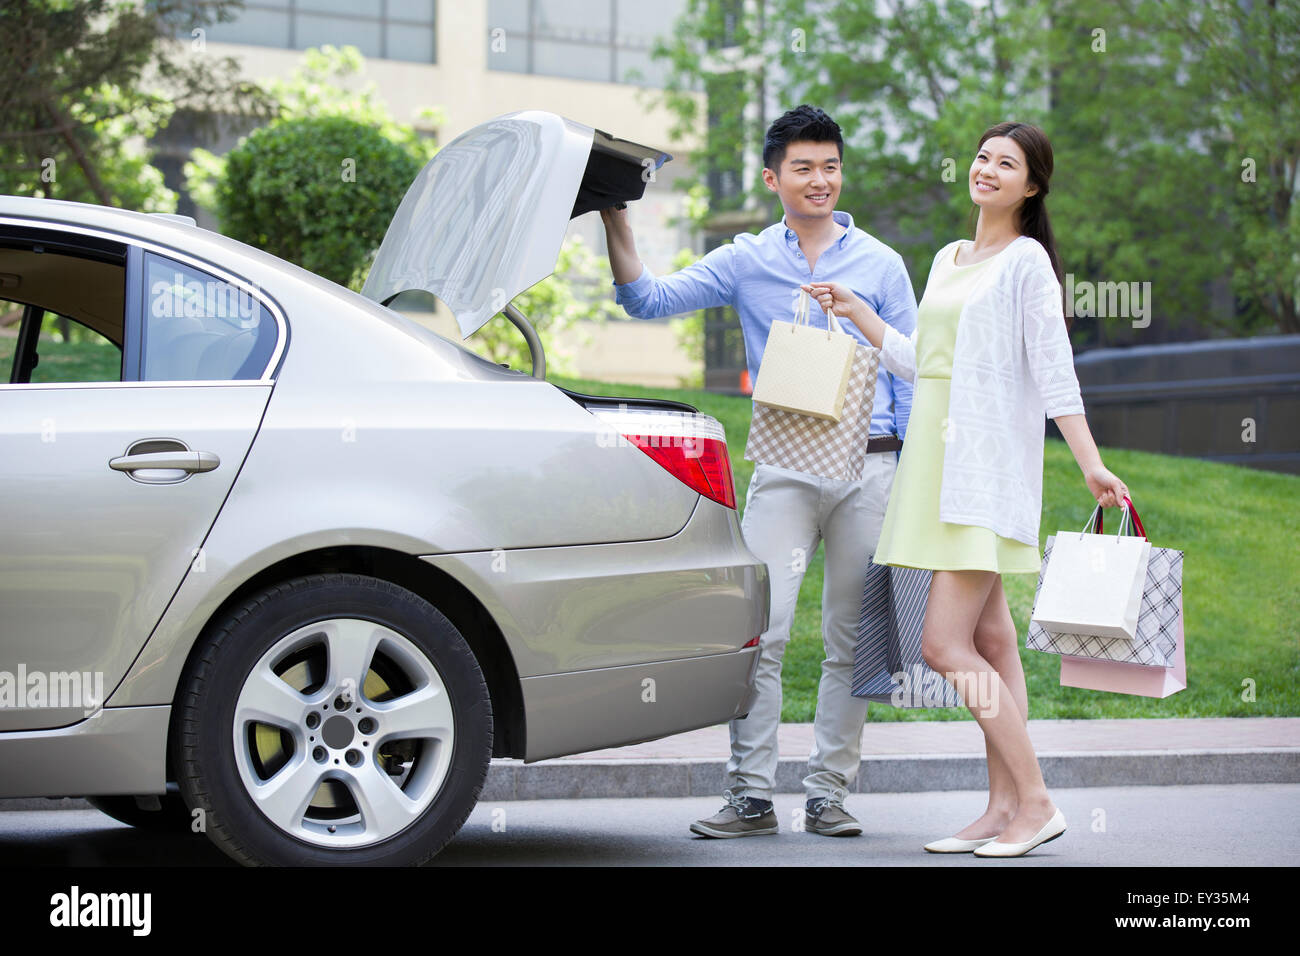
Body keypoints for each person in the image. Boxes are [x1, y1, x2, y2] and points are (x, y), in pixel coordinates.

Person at [805, 121, 1129, 857]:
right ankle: (1001, 807)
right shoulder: (950, 257)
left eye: (1005, 164)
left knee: (943, 645)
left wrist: (1090, 463)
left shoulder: (1026, 266)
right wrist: (862, 317)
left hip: (985, 472)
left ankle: (1037, 801)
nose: (986, 169)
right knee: (989, 640)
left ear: (1032, 186)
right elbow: (929, 361)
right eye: (983, 157)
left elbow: (1054, 372)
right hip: (933, 467)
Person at [600, 105, 917, 837]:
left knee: (851, 639)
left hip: (870, 473)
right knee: (762, 633)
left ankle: (829, 793)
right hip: (785, 468)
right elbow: (648, 300)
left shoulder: (880, 264)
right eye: (803, 167)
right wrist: (617, 221)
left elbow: (914, 372)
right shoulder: (748, 260)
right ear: (773, 177)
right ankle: (750, 796)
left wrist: (904, 474)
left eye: (830, 165)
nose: (820, 180)